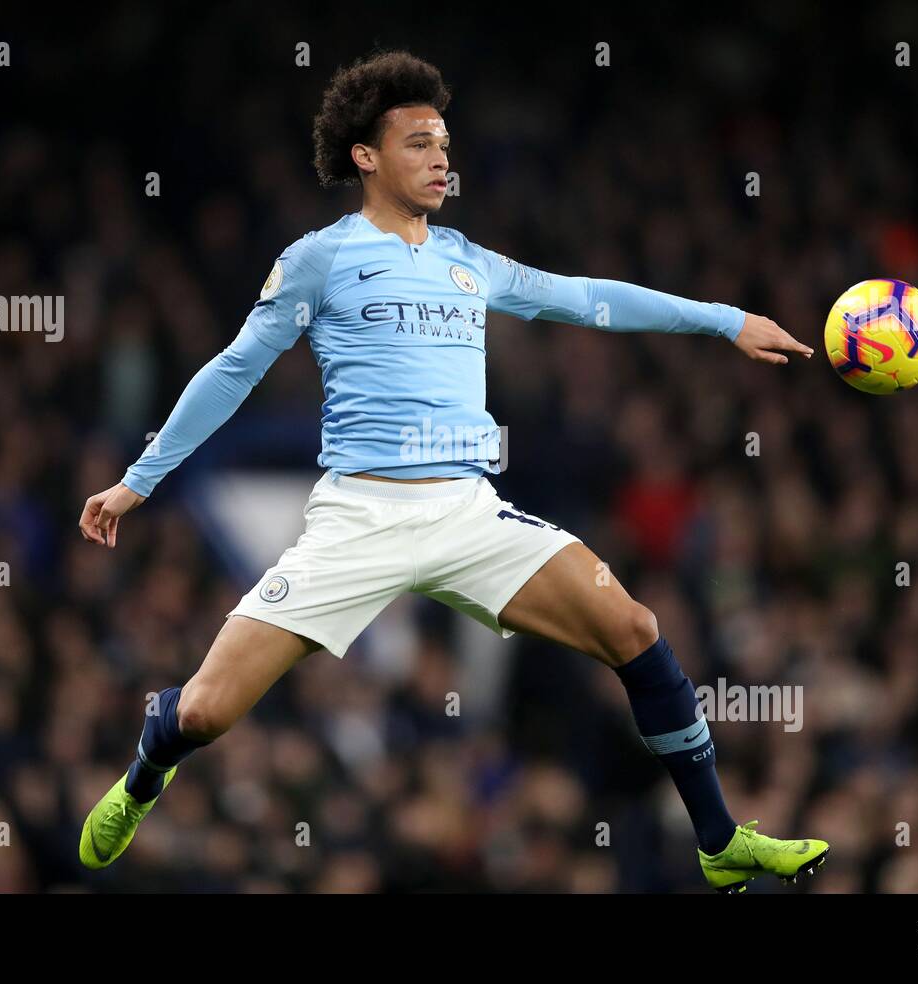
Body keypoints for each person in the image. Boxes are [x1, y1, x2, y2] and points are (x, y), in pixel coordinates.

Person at [77, 50, 827, 893]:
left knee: (635, 630)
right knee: (206, 713)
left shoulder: (470, 260)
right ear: (366, 156)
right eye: (419, 143)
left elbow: (588, 298)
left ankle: (719, 842)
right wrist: (140, 477)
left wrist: (726, 322)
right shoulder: (319, 260)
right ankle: (150, 760)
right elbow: (233, 369)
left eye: (445, 143)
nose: (442, 159)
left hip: (468, 514)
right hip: (358, 518)